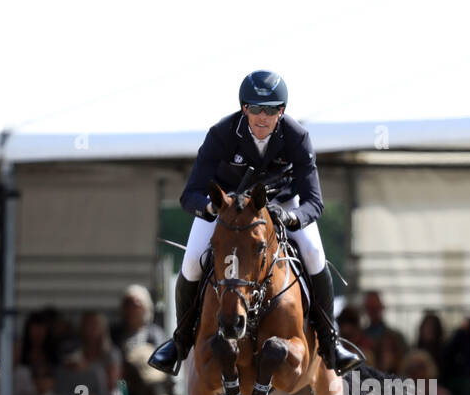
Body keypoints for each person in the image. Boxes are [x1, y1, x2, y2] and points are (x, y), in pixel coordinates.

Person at [149, 71, 360, 375]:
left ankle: (330, 343)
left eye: (272, 109)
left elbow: (314, 201)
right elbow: (189, 194)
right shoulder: (221, 133)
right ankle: (179, 343)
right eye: (256, 109)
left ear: (282, 111)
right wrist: (211, 206)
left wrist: (292, 217)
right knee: (193, 260)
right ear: (244, 108)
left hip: (282, 206)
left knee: (315, 255)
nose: (263, 117)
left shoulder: (297, 137)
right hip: (229, 211)